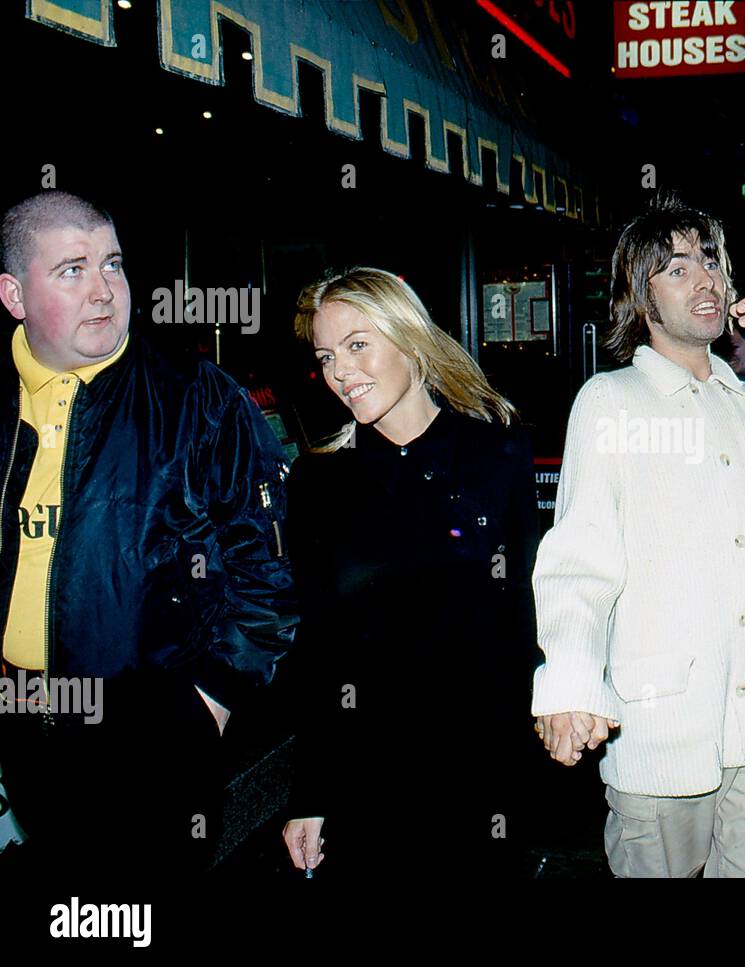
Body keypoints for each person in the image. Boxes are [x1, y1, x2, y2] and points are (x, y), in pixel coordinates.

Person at [530, 194, 745, 877]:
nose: (707, 279)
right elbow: (579, 560)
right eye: (678, 267)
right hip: (662, 724)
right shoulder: (611, 402)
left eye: (711, 261)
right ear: (641, 294)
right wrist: (569, 678)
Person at [0, 190, 296, 876]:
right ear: (14, 294)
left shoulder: (196, 397)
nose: (104, 290)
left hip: (155, 747)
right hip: (28, 732)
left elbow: (271, 573)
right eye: (72, 270)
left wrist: (211, 702)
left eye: (113, 263)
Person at [281, 267, 539, 878]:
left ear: (409, 339)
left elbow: (525, 612)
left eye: (358, 344)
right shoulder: (320, 483)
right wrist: (311, 794)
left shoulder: (496, 454)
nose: (340, 371)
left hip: (482, 768)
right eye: (326, 356)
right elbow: (319, 646)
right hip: (368, 776)